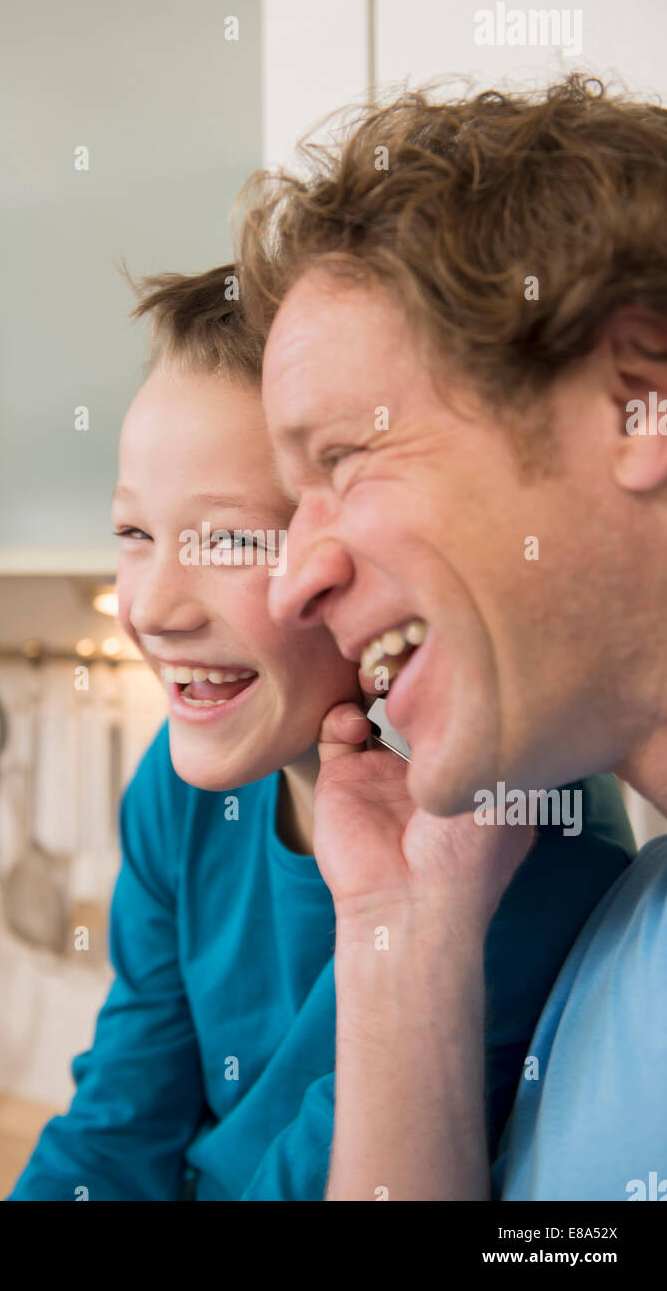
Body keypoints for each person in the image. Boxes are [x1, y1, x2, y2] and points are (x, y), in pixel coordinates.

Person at [7, 259, 635, 1201]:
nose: (153, 609)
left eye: (232, 540)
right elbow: (117, 1126)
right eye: (133, 534)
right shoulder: (174, 792)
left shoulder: (510, 846)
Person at [235, 73, 667, 1200]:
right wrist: (403, 933)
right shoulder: (629, 941)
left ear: (636, 396)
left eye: (346, 460)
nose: (293, 584)